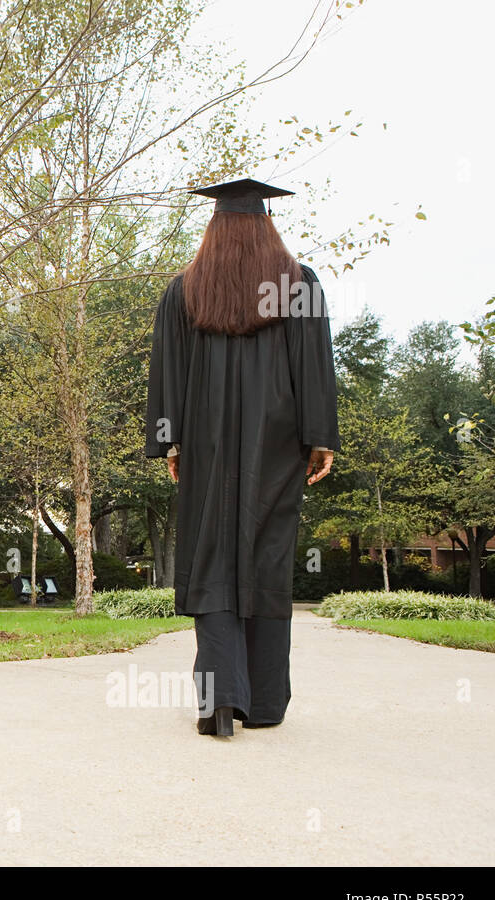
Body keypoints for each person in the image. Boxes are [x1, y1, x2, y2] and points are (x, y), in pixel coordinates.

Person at [144, 178, 340, 737]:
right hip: (276, 442)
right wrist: (318, 435)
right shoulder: (297, 283)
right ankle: (264, 702)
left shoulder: (185, 289)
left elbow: (170, 371)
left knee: (211, 555)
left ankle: (219, 701)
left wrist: (172, 440)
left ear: (213, 227)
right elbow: (312, 362)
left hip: (205, 438)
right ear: (266, 225)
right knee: (267, 555)